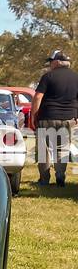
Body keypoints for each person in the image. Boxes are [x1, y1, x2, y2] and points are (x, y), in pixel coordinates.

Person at [30, 50, 78, 187]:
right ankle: (60, 177)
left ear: (57, 62)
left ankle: (44, 180)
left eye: (51, 62)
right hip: (68, 119)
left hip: (47, 117)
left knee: (43, 149)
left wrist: (34, 115)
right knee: (62, 149)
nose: (50, 64)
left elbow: (38, 97)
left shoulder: (48, 76)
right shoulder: (76, 77)